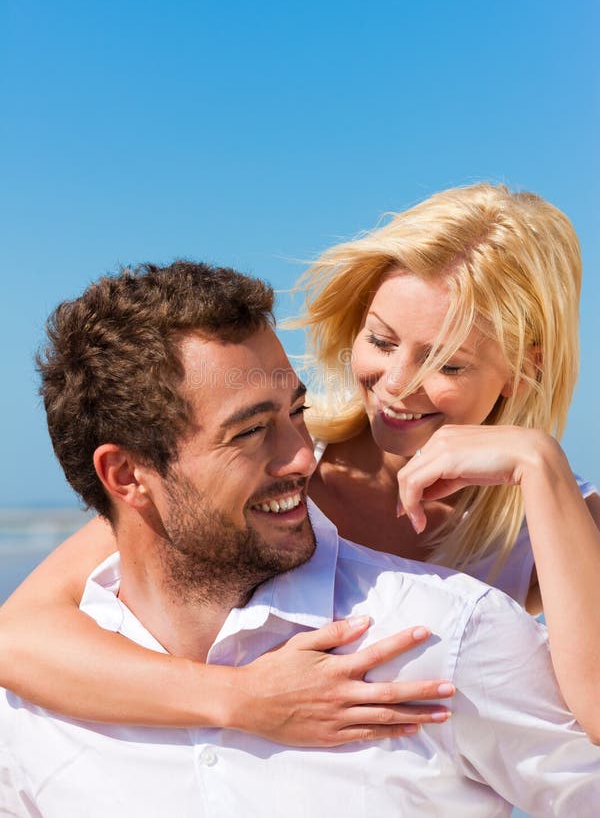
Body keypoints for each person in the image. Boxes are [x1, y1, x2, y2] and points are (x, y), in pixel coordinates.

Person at [1, 183, 599, 745]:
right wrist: (240, 700)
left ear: (526, 370)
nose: (394, 385)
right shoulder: (270, 470)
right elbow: (16, 638)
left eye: (446, 364)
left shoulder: (556, 518)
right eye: (383, 342)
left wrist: (540, 464)